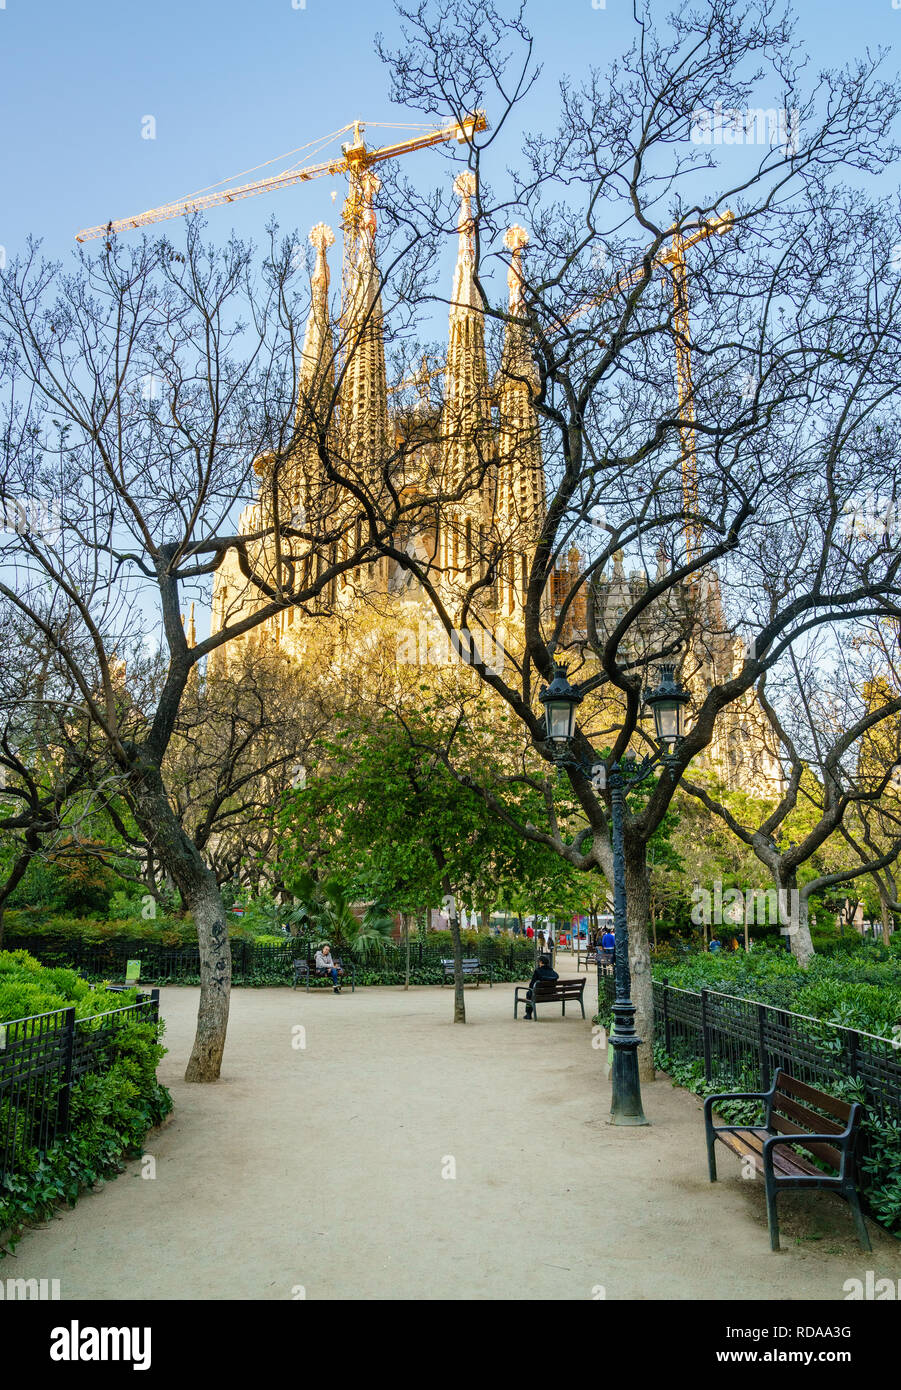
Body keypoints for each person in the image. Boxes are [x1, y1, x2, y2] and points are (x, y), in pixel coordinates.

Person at [523, 953, 558, 1019]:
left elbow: (531, 985)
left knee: (529, 993)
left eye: (539, 962)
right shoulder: (552, 971)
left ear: (541, 962)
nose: (538, 963)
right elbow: (557, 976)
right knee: (530, 993)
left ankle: (528, 1014)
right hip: (552, 993)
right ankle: (528, 1014)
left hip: (538, 994)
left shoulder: (537, 971)